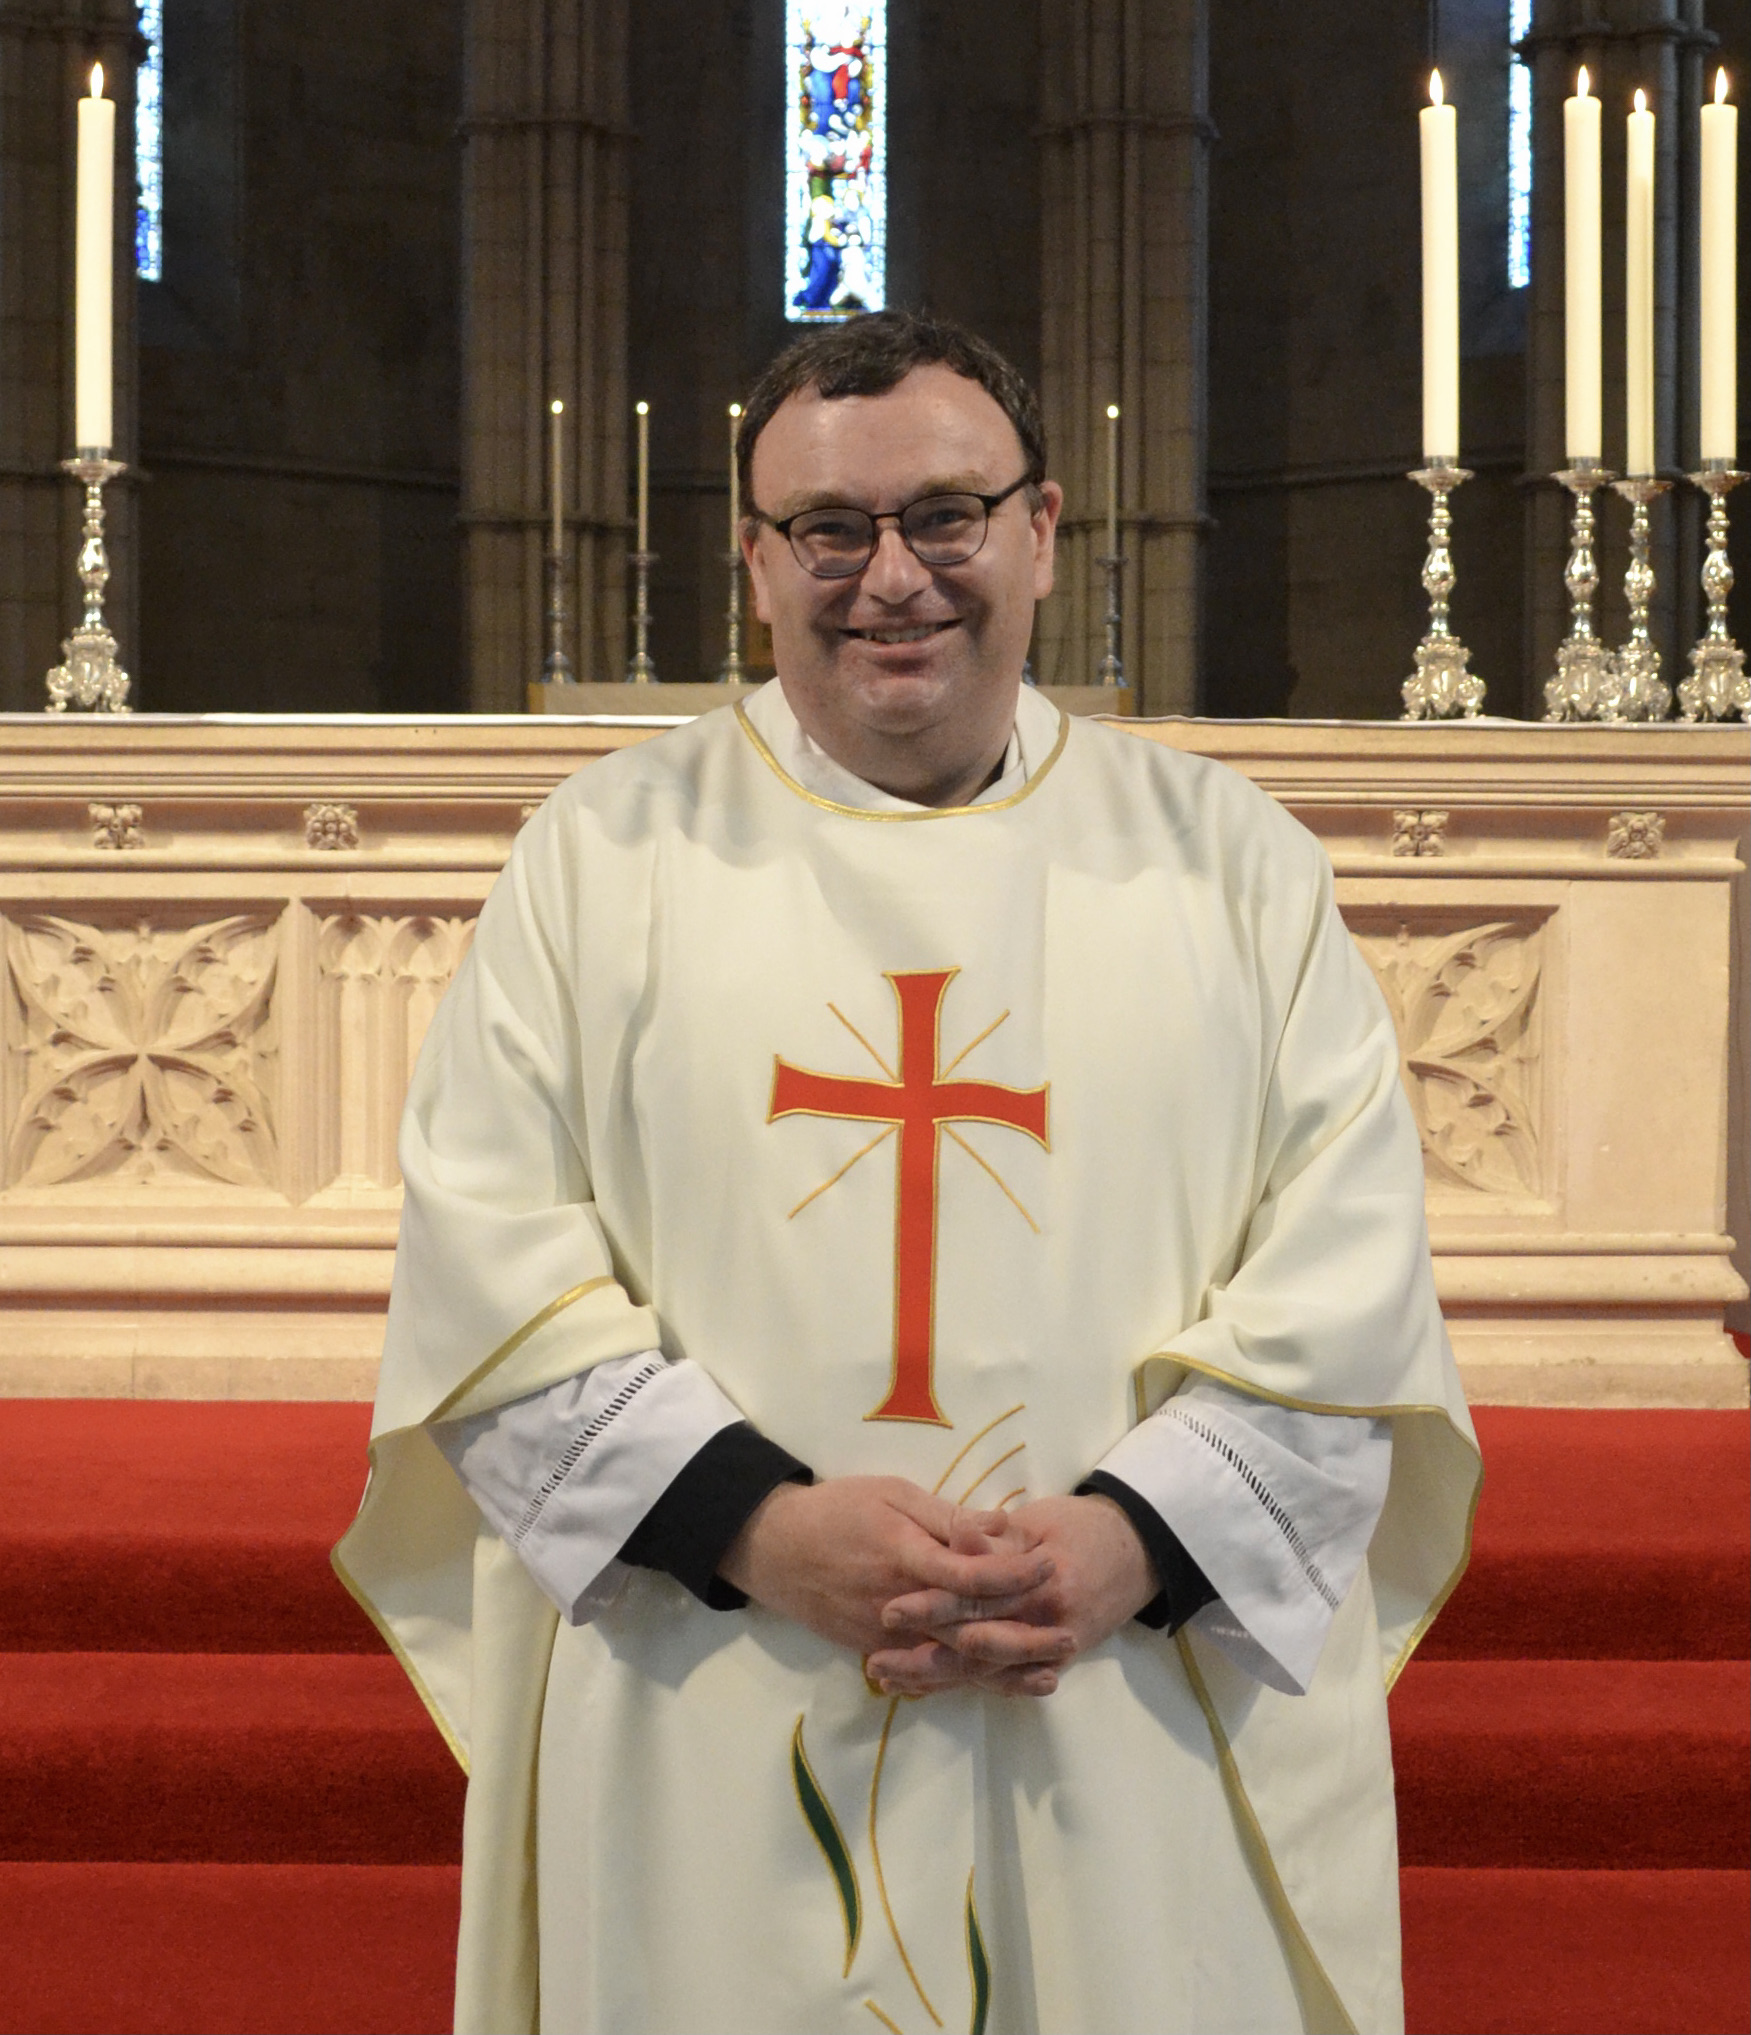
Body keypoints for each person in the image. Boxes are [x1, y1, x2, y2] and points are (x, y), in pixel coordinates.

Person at [335, 310, 1479, 2035]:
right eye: (828, 529)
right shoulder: (602, 861)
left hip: (1120, 1685)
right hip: (720, 1657)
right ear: (753, 560)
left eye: (946, 516)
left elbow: (1349, 1274)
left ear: (1042, 529)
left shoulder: (1233, 870)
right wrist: (758, 1527)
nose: (892, 578)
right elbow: (488, 1274)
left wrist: (1133, 1540)